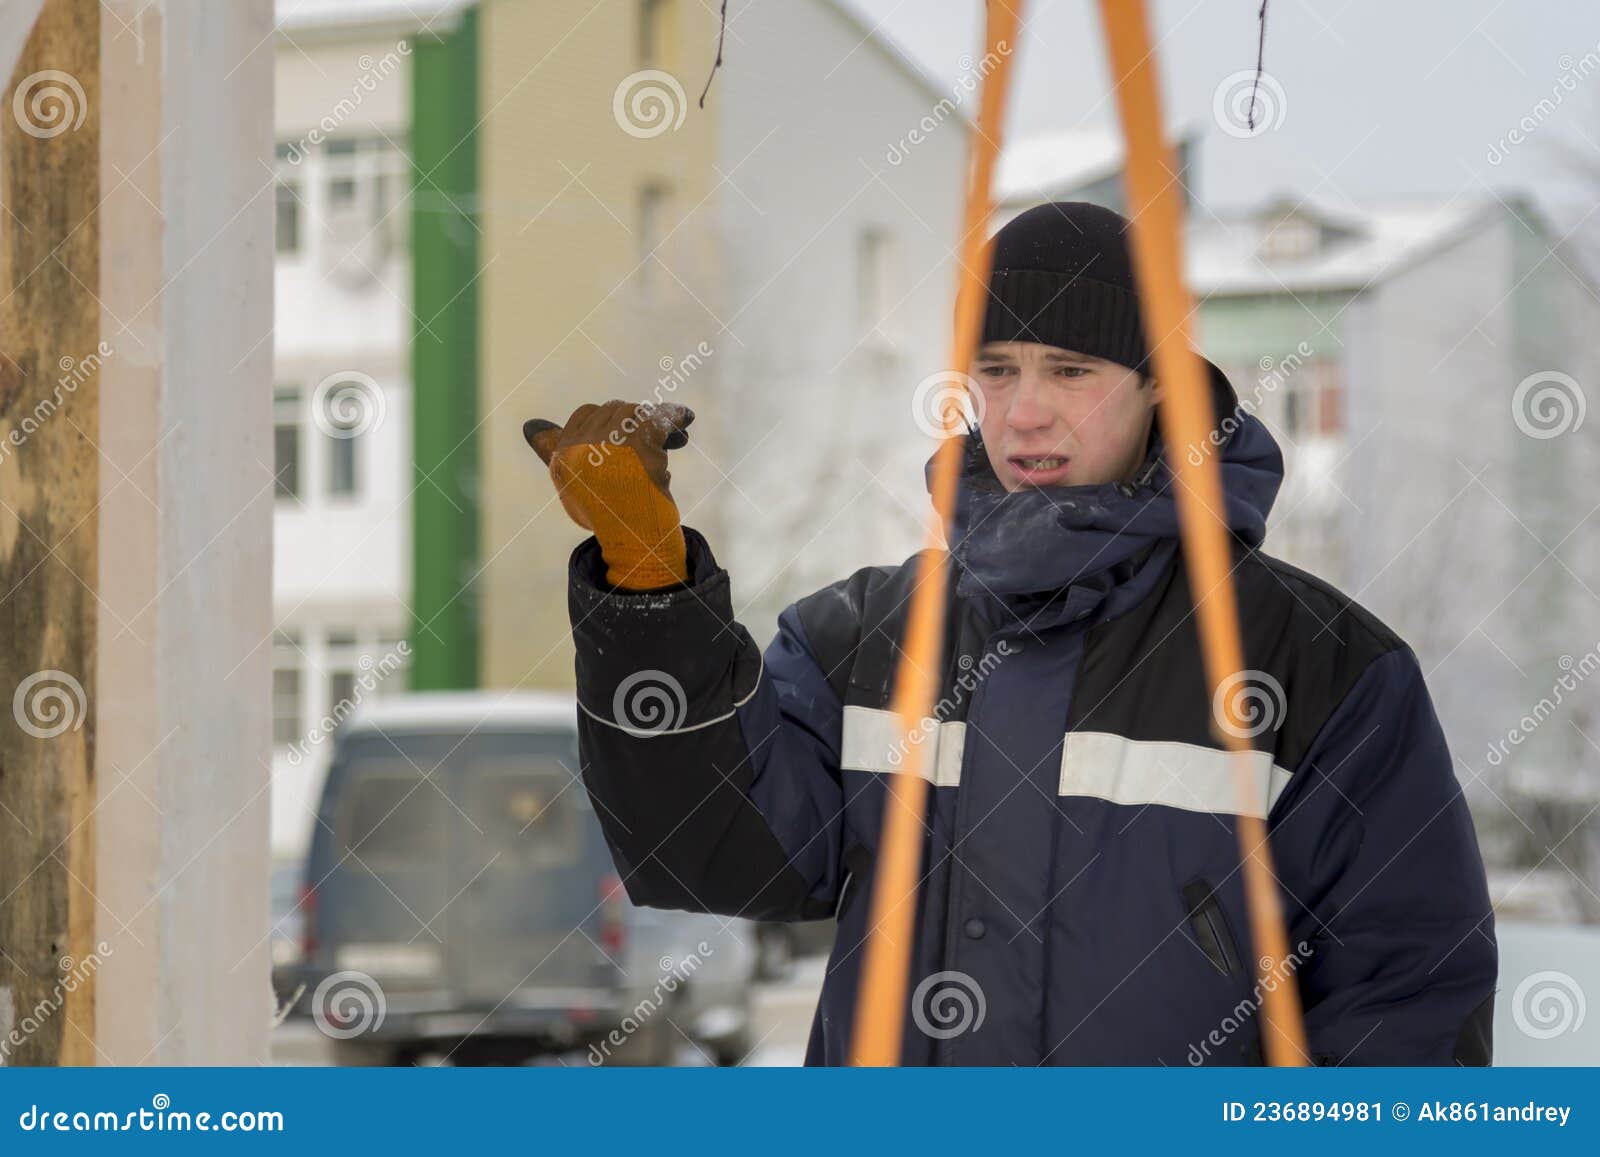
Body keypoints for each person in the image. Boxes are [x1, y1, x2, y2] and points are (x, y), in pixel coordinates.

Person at [523, 201, 1497, 1066]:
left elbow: (1406, 999)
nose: (1026, 409)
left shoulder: (1319, 665)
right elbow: (708, 848)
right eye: (997, 370)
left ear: (1160, 382)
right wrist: (646, 586)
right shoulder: (866, 639)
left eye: (1070, 369)